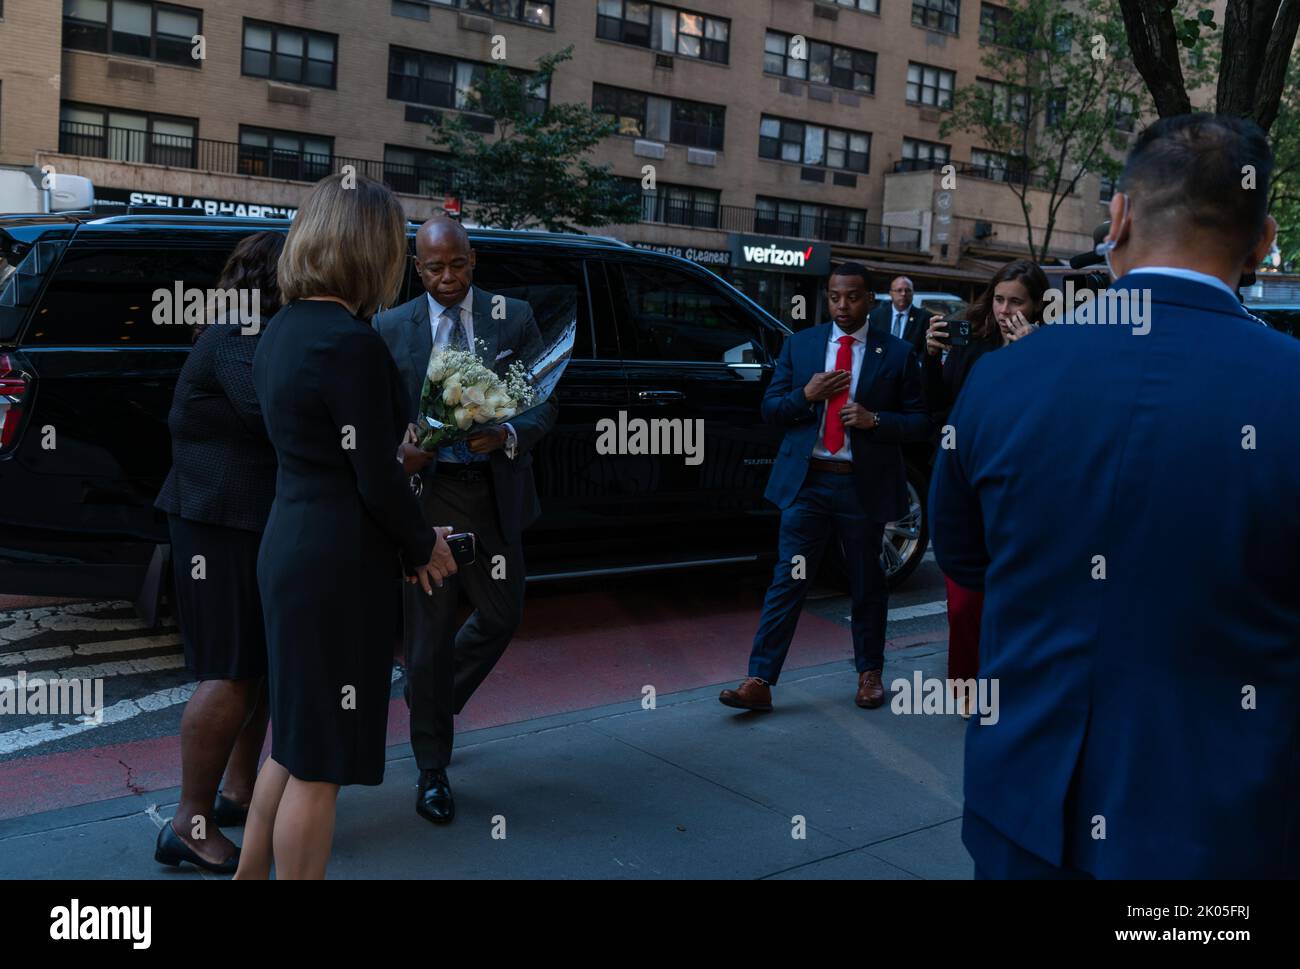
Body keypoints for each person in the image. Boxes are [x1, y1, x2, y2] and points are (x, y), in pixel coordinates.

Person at [929, 113, 1299, 878]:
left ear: (1119, 216)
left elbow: (966, 566)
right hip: (1223, 833)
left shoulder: (1000, 380)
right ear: (1263, 241)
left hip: (1024, 814)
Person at [235, 174, 457, 880]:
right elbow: (376, 474)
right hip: (336, 563)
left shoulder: (282, 329)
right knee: (320, 764)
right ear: (370, 250)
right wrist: (425, 544)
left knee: (293, 739)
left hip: (289, 544)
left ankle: (246, 877)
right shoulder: (350, 342)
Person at [374, 217, 558, 825]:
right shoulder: (390, 325)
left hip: (492, 491)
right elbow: (375, 418)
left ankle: (432, 699)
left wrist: (508, 432)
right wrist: (403, 448)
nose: (447, 277)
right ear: (416, 267)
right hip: (427, 502)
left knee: (505, 614)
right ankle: (432, 768)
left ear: (472, 260)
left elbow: (544, 397)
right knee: (425, 638)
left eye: (457, 264)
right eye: (434, 267)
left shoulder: (515, 317)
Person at [720, 264, 929, 712]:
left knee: (867, 583)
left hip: (860, 486)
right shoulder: (803, 344)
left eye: (852, 297)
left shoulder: (895, 353)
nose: (842, 306)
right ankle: (759, 679)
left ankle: (870, 674)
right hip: (808, 484)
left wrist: (877, 421)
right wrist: (807, 396)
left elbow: (920, 421)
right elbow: (771, 410)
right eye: (834, 297)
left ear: (870, 300)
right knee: (787, 580)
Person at [152, 231, 283, 874]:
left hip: (239, 519)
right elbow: (269, 415)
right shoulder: (238, 332)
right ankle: (189, 824)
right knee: (230, 670)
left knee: (251, 666)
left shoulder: (245, 328)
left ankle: (237, 793)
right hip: (216, 521)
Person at [922, 259, 1045, 715]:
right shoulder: (971, 341)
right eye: (998, 298)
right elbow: (937, 409)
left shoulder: (1051, 347)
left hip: (1022, 486)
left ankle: (1008, 680)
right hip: (965, 480)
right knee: (963, 600)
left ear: (1037, 305)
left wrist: (1033, 357)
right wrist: (931, 359)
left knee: (1013, 595)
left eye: (1016, 301)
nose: (1004, 309)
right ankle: (964, 684)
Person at [868, 275, 929, 358]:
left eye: (908, 290)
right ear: (891, 293)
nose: (903, 294)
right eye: (899, 290)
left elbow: (924, 350)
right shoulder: (876, 315)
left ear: (913, 293)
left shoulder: (924, 318)